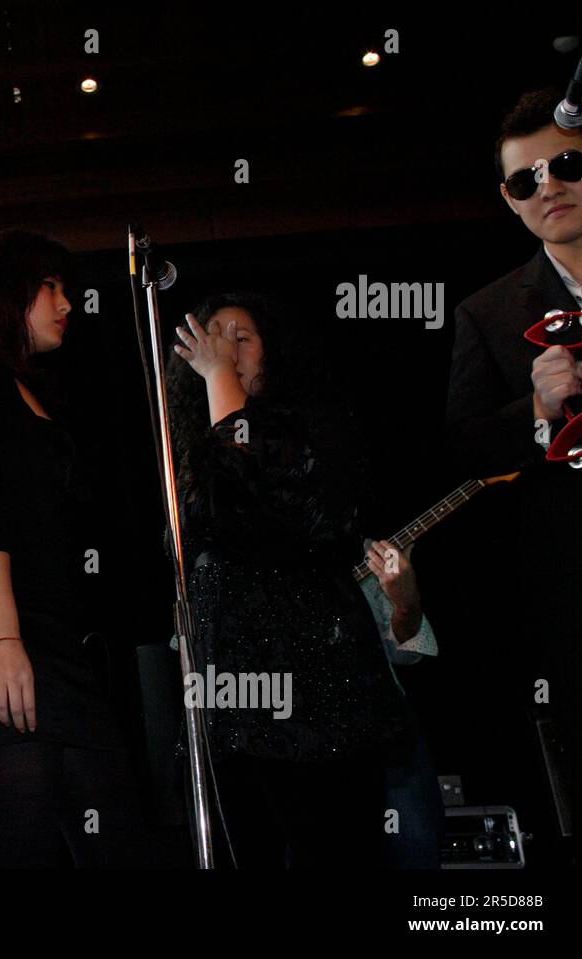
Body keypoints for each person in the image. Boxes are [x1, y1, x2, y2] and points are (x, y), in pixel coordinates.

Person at [0, 229, 150, 868]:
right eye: (49, 287)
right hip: (2, 628)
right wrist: (1, 635)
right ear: (2, 291)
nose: (66, 303)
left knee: (114, 837)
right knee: (24, 844)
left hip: (55, 641)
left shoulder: (24, 384)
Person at [169, 291, 408, 868]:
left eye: (242, 338)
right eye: (215, 338)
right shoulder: (185, 452)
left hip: (315, 680)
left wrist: (221, 377)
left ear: (270, 353)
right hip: (233, 685)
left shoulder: (310, 427)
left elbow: (270, 489)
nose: (226, 350)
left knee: (334, 844)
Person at [446, 87, 582, 863]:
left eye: (566, 165)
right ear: (508, 199)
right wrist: (534, 411)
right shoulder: (491, 312)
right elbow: (467, 451)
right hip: (577, 592)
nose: (549, 187)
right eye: (524, 179)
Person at [358, 538, 443, 869]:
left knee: (413, 848)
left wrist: (406, 602)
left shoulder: (363, 552)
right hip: (292, 741)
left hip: (382, 724)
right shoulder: (239, 558)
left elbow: (406, 654)